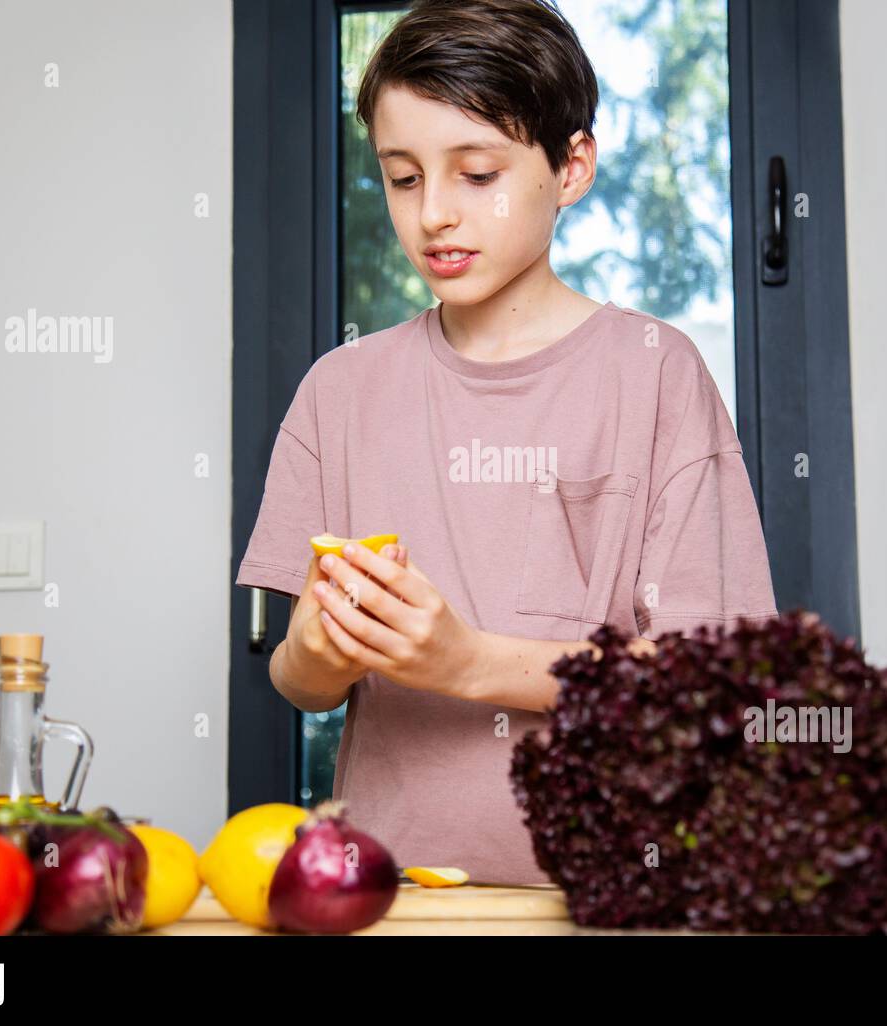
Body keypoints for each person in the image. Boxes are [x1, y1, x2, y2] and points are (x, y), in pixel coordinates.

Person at [235, 0, 776, 885]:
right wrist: (320, 653)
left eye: (477, 173)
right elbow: (301, 684)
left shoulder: (657, 376)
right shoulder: (341, 391)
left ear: (572, 165)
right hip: (390, 892)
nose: (434, 215)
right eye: (403, 179)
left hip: (607, 893)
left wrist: (470, 663)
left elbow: (710, 686)